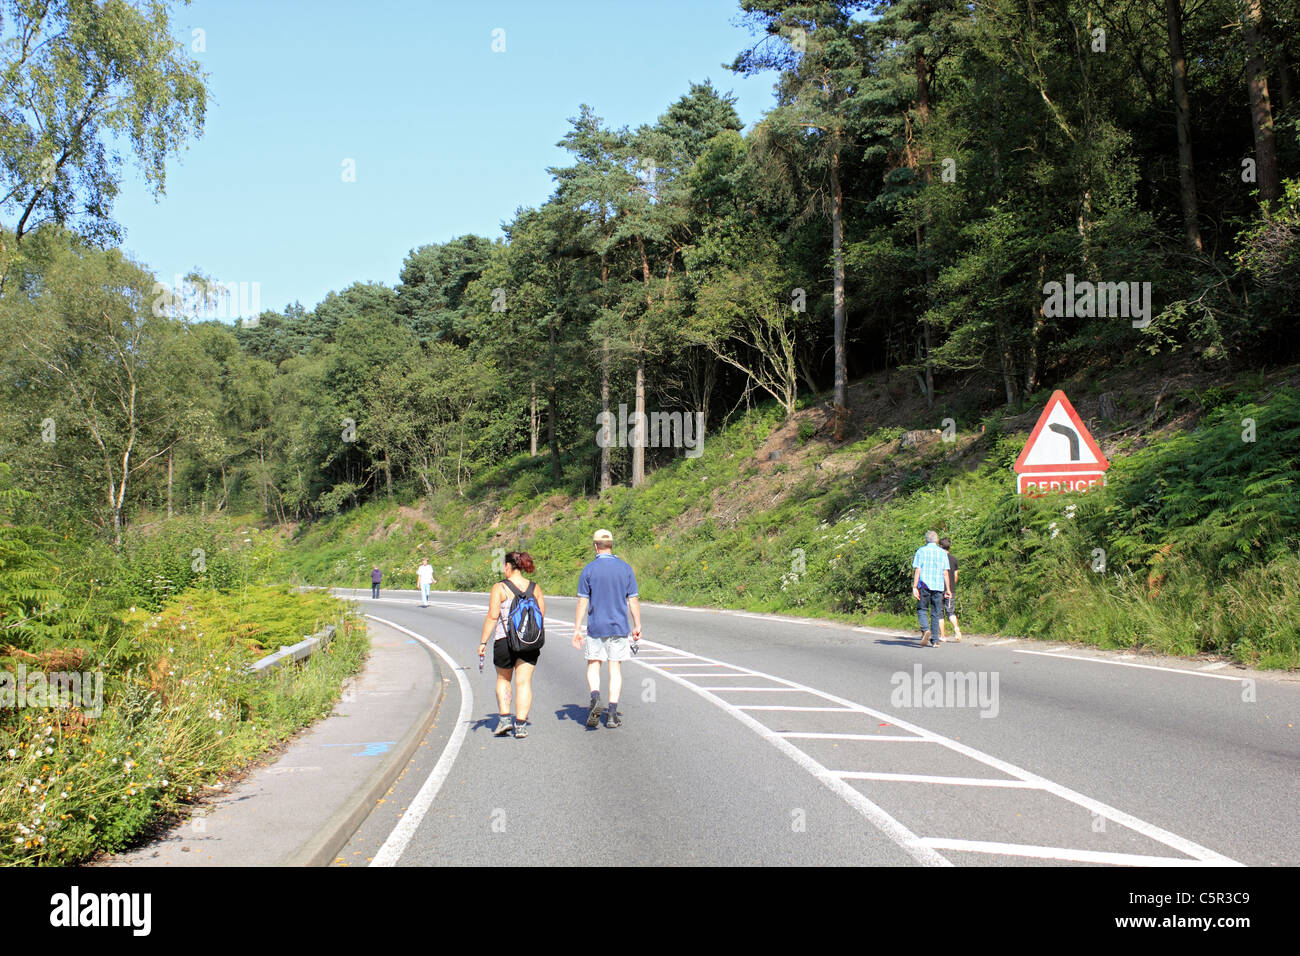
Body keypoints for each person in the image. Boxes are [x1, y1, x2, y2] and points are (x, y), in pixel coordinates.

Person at [572, 528, 641, 729]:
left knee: (594, 664)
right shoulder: (626, 568)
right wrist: (637, 625)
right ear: (611, 545)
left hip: (596, 627)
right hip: (619, 626)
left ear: (595, 546)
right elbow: (633, 600)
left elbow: (582, 602)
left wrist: (577, 628)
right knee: (615, 668)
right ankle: (611, 714)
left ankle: (595, 698)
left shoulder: (589, 569)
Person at [477, 551, 544, 739]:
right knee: (524, 683)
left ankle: (505, 718)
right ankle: (521, 725)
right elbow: (541, 617)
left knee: (503, 680)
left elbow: (492, 616)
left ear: (508, 566)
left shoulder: (500, 587)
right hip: (529, 642)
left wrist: (483, 642)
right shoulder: (534, 588)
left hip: (504, 641)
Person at [910, 530, 951, 647]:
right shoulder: (942, 553)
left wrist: (914, 586)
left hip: (924, 585)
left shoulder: (920, 551)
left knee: (922, 609)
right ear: (937, 540)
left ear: (926, 540)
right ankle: (935, 640)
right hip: (938, 586)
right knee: (936, 613)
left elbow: (918, 570)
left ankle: (925, 629)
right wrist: (948, 589)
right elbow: (945, 572)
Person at [937, 537, 962, 643]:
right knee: (950, 611)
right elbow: (956, 575)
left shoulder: (938, 559)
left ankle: (943, 635)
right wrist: (951, 586)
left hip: (938, 589)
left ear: (940, 546)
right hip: (951, 589)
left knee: (939, 613)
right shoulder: (954, 559)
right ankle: (956, 628)